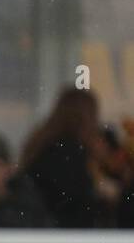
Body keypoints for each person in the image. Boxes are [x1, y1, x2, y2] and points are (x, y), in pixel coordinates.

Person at [20, 88, 123, 229]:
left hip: (42, 226)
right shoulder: (69, 151)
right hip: (63, 233)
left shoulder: (45, 143)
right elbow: (77, 200)